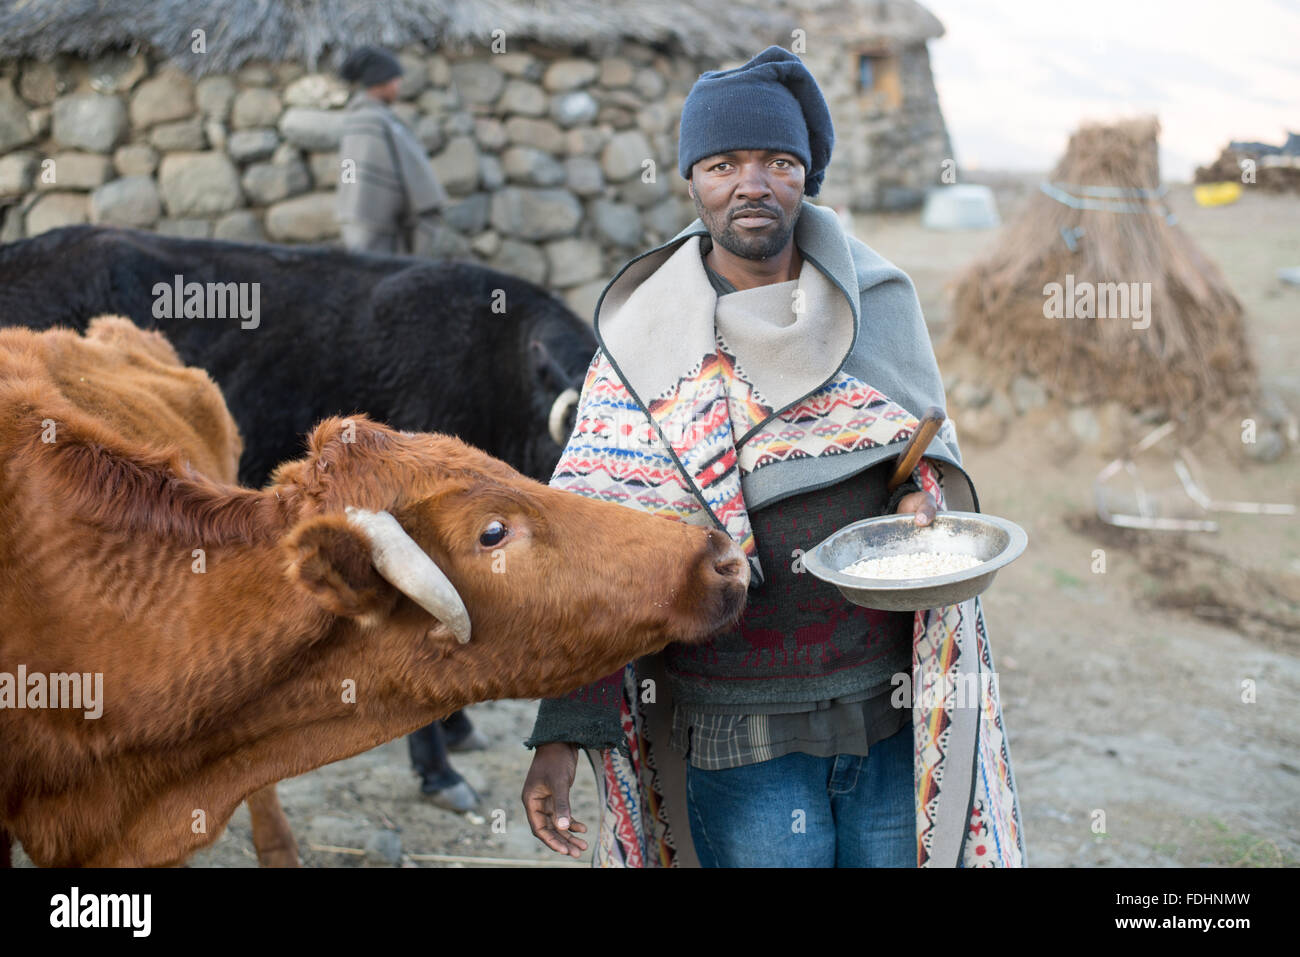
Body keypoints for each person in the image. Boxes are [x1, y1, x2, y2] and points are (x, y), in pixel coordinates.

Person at [519, 46, 1026, 867]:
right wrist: (562, 734)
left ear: (805, 177)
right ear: (693, 179)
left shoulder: (877, 302)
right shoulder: (648, 342)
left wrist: (915, 506)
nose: (752, 184)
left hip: (889, 708)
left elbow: (921, 465)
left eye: (778, 162)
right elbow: (597, 542)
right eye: (724, 163)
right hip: (735, 725)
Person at [335, 46, 448, 256]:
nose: (399, 85)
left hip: (365, 229)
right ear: (381, 81)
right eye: (395, 79)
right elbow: (360, 182)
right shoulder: (373, 121)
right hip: (378, 233)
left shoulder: (364, 118)